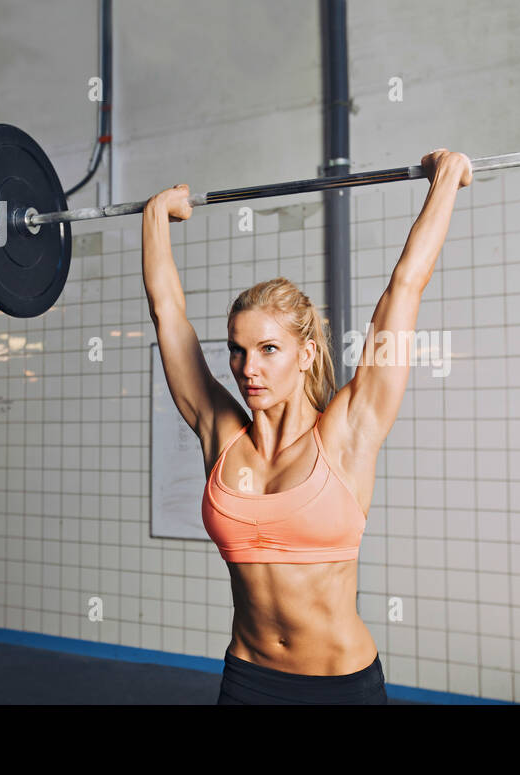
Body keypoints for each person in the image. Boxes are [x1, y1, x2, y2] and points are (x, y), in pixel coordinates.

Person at [143, 148, 472, 704]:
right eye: (239, 350)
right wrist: (155, 217)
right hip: (247, 680)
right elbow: (167, 314)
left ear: (306, 353)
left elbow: (404, 289)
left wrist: (446, 179)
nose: (250, 368)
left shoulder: (348, 430)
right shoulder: (220, 435)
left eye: (270, 349)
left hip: (340, 686)